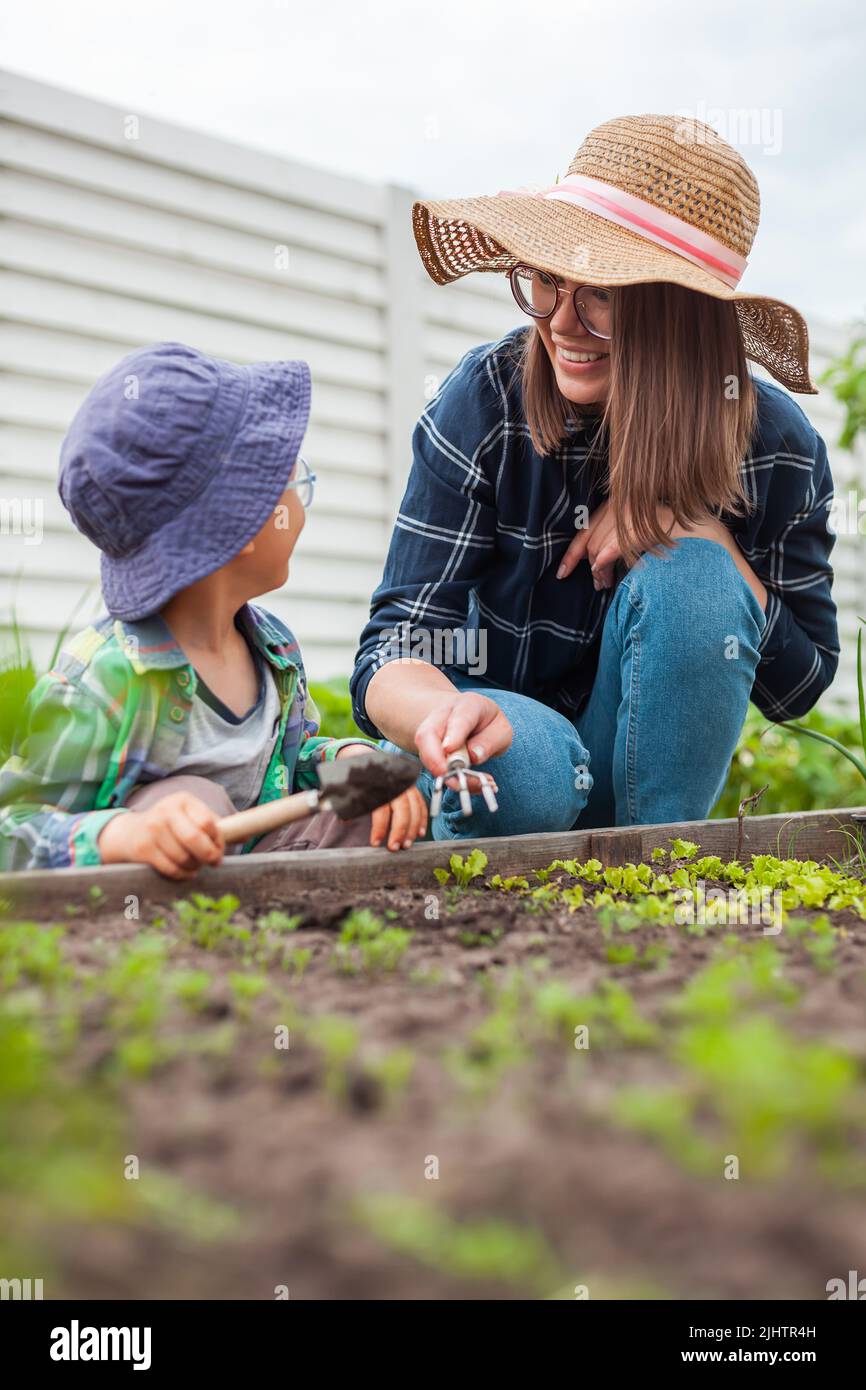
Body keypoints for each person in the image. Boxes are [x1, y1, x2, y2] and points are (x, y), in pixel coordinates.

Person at [351, 113, 839, 839]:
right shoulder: (488, 399)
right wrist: (439, 715)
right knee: (533, 763)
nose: (563, 323)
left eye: (603, 295)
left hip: (651, 789)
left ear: (681, 316)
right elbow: (394, 648)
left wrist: (700, 532)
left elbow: (799, 686)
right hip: (513, 766)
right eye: (549, 280)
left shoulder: (771, 442)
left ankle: (664, 874)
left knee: (699, 576)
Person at [0, 343, 426, 876]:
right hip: (154, 906)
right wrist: (122, 835)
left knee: (370, 816)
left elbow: (289, 764)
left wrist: (342, 762)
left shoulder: (273, 649)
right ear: (245, 523)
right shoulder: (104, 682)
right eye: (296, 481)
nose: (302, 498)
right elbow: (12, 827)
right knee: (193, 799)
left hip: (261, 866)